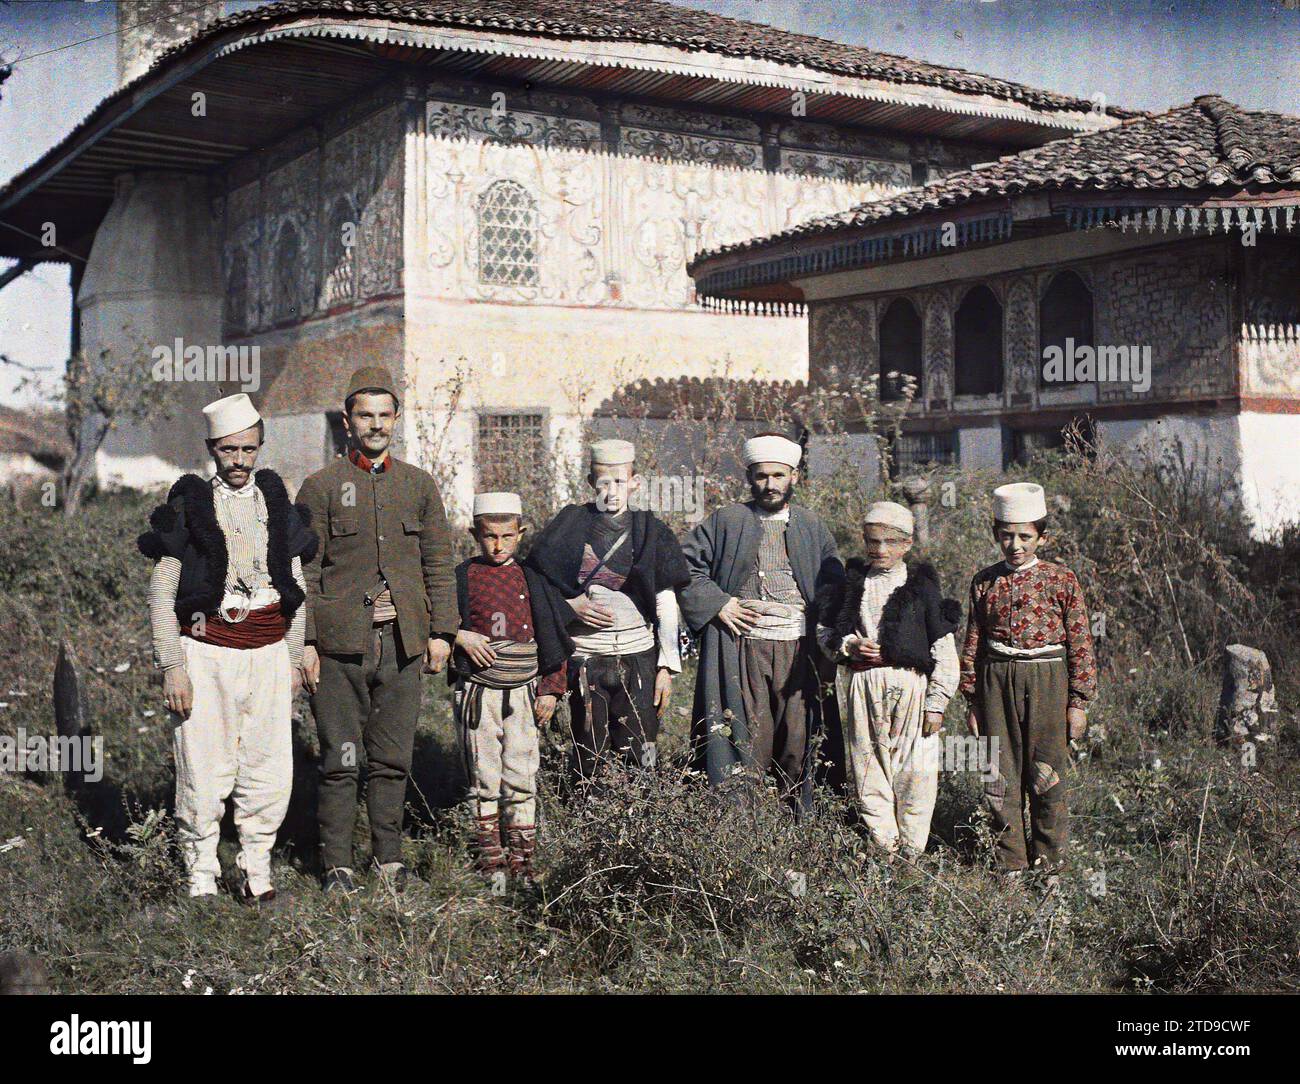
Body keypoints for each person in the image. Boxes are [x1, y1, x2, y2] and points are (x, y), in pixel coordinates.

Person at [139, 393, 317, 904]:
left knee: (267, 767)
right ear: (212, 449)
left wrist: (292, 658)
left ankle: (256, 870)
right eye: (228, 450)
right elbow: (161, 593)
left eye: (248, 449)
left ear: (260, 447)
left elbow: (294, 588)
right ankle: (200, 876)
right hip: (207, 651)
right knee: (204, 763)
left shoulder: (276, 506)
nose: (239, 461)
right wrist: (173, 666)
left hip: (266, 651)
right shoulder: (191, 507)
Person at [297, 367, 456, 894]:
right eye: (365, 415)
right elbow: (308, 572)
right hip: (342, 649)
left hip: (404, 646)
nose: (376, 425)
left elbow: (437, 563)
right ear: (347, 421)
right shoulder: (320, 488)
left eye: (385, 415)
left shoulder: (418, 486)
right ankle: (337, 864)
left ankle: (389, 858)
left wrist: (441, 634)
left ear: (396, 420)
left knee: (392, 758)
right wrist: (309, 642)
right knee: (341, 759)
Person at [679, 432, 844, 804]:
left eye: (778, 476)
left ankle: (801, 829)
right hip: (742, 647)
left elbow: (835, 588)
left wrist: (829, 639)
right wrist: (719, 603)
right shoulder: (726, 520)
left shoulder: (811, 526)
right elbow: (684, 567)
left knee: (799, 741)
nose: (770, 485)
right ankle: (742, 831)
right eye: (761, 476)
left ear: (794, 477)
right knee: (746, 737)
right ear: (749, 478)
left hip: (798, 649)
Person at [526, 439, 690, 781]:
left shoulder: (651, 532)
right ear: (590, 482)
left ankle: (644, 810)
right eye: (603, 482)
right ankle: (588, 815)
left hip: (637, 655)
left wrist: (666, 667)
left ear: (635, 481)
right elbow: (534, 584)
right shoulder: (569, 524)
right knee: (588, 741)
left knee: (643, 743)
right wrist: (570, 606)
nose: (611, 490)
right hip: (586, 656)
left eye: (619, 480)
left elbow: (666, 601)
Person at [959, 481, 1097, 874]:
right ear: (995, 536)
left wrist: (1078, 703)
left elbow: (1081, 641)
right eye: (1007, 536)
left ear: (1042, 536)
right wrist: (972, 700)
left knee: (1047, 774)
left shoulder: (1061, 579)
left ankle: (1048, 864)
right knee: (999, 774)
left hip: (1048, 681)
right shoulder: (984, 581)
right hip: (996, 680)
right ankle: (1011, 867)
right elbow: (973, 640)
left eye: (1025, 536)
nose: (1015, 546)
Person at [820, 501, 961, 857]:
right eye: (872, 541)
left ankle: (911, 854)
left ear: (907, 544)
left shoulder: (920, 588)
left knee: (916, 773)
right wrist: (850, 645)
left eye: (890, 542)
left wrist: (937, 704)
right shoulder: (852, 586)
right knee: (868, 768)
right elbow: (826, 634)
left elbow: (943, 649)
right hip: (865, 687)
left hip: (911, 687)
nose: (880, 550)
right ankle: (884, 847)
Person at [451, 491, 572, 885]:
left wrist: (551, 689)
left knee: (521, 776)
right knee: (483, 778)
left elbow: (553, 633)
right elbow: (436, 622)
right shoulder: (462, 577)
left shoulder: (531, 578)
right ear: (474, 534)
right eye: (489, 537)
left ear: (521, 533)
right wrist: (459, 635)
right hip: (478, 694)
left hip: (523, 694)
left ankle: (522, 864)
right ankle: (491, 866)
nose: (498, 546)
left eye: (507, 536)